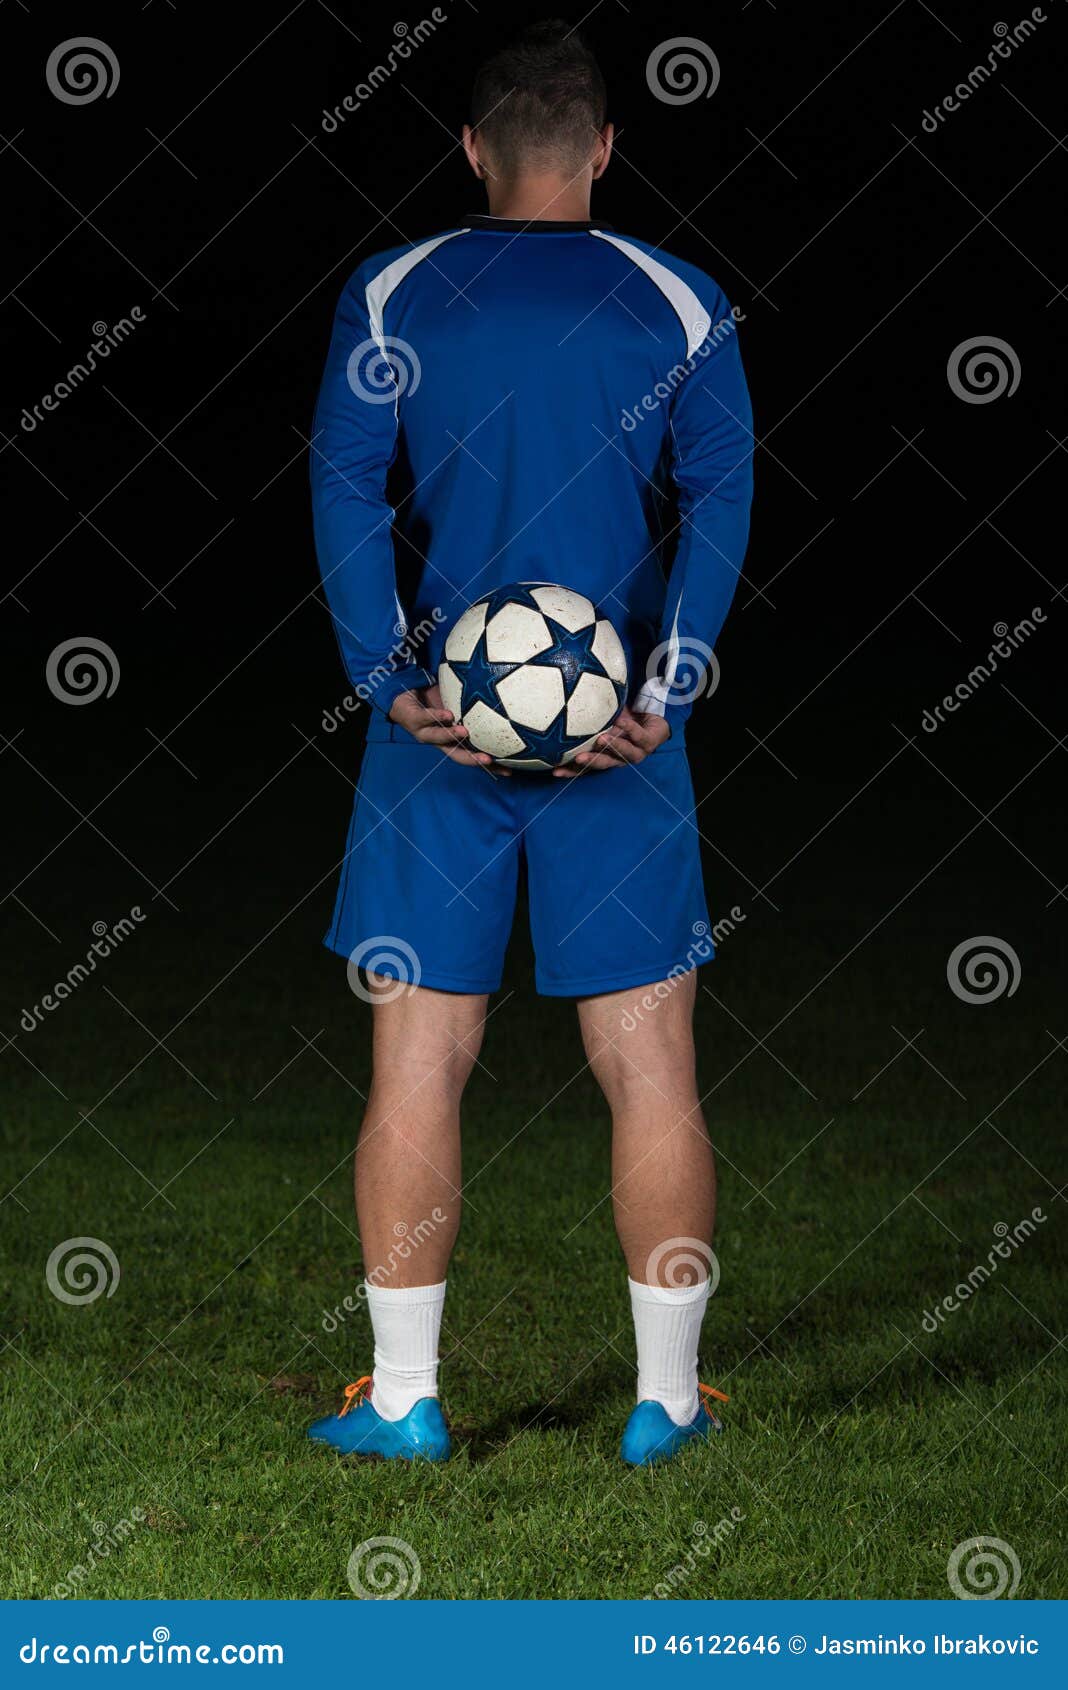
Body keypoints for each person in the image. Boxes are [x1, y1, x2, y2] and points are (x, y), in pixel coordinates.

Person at [307, 20, 753, 1467]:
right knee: (650, 1063)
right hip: (621, 741)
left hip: (435, 731)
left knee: (420, 1062)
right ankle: (665, 1400)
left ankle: (405, 1398)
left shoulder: (394, 292)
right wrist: (666, 688)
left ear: (473, 148)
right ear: (606, 149)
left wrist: (388, 675)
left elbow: (346, 495)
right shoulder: (678, 300)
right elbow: (721, 503)